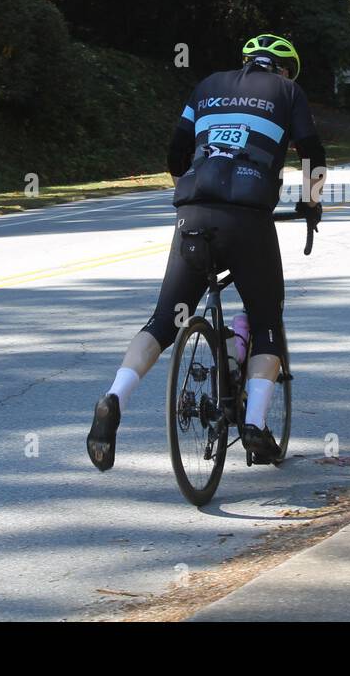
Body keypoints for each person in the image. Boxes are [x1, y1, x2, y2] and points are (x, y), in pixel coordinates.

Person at [86, 34, 325, 470]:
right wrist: (311, 202)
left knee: (163, 321)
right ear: (285, 69)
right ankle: (253, 424)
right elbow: (312, 152)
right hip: (247, 220)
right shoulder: (289, 92)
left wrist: (194, 190)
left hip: (192, 215)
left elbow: (176, 151)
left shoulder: (208, 84)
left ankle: (114, 397)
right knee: (267, 319)